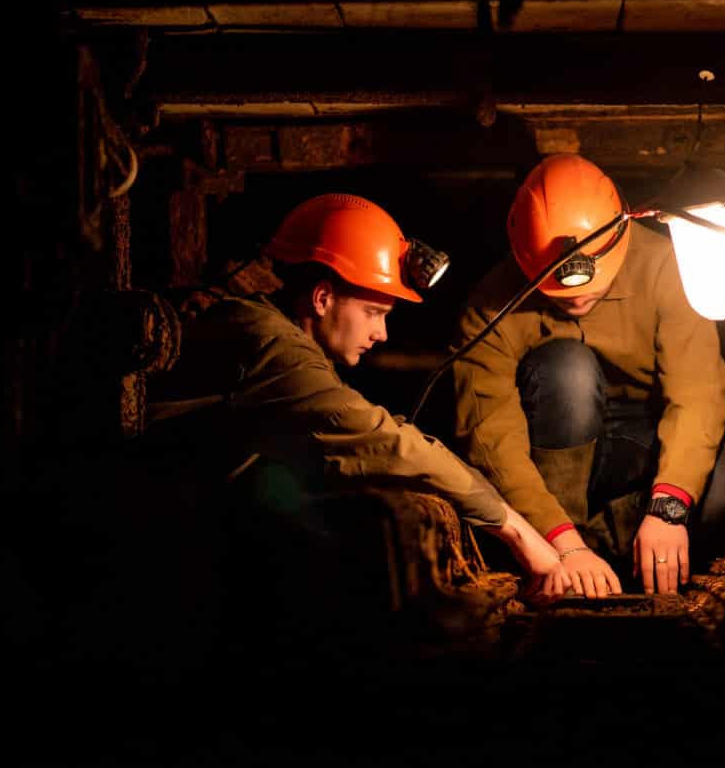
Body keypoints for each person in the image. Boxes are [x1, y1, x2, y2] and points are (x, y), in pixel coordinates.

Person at [144, 193, 571, 605]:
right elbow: (386, 440)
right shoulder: (272, 348)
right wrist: (516, 530)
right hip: (165, 548)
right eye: (373, 313)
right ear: (323, 298)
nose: (382, 333)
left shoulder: (271, 333)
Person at [451, 153, 725, 597]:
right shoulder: (491, 304)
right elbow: (490, 436)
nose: (575, 299)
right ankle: (573, 560)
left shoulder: (668, 265)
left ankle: (629, 561)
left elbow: (699, 392)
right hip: (553, 434)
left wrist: (667, 510)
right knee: (567, 369)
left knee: (723, 485)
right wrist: (559, 541)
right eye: (559, 291)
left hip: (641, 433)